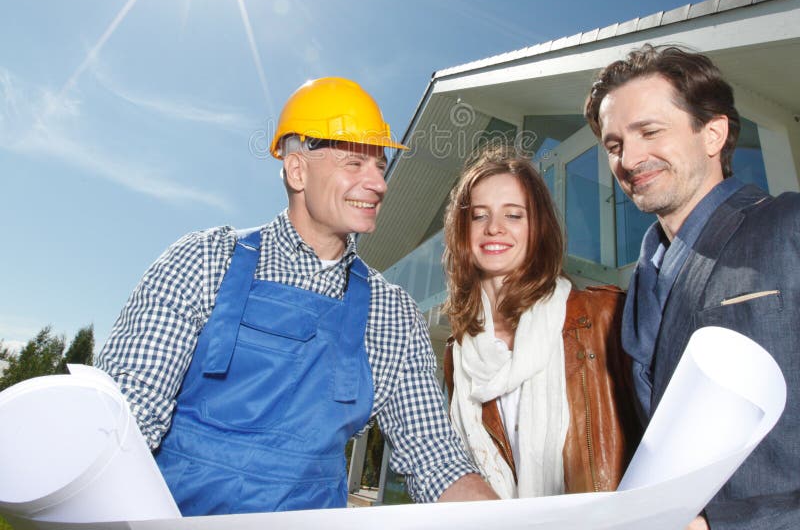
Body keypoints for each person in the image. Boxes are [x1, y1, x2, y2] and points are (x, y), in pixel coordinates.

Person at [97, 76, 497, 515]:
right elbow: (122, 425)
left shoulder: (392, 313)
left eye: (380, 167)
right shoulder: (204, 261)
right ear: (297, 170)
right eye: (354, 164)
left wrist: (508, 522)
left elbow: (434, 457)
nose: (379, 184)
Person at [584, 44, 800, 530]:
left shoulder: (790, 225)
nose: (629, 158)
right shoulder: (637, 288)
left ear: (713, 134)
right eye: (614, 145)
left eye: (650, 131)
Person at [441, 143, 640, 499]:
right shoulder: (457, 356)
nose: (494, 228)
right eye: (479, 215)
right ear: (463, 230)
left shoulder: (604, 316)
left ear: (538, 230)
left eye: (514, 215)